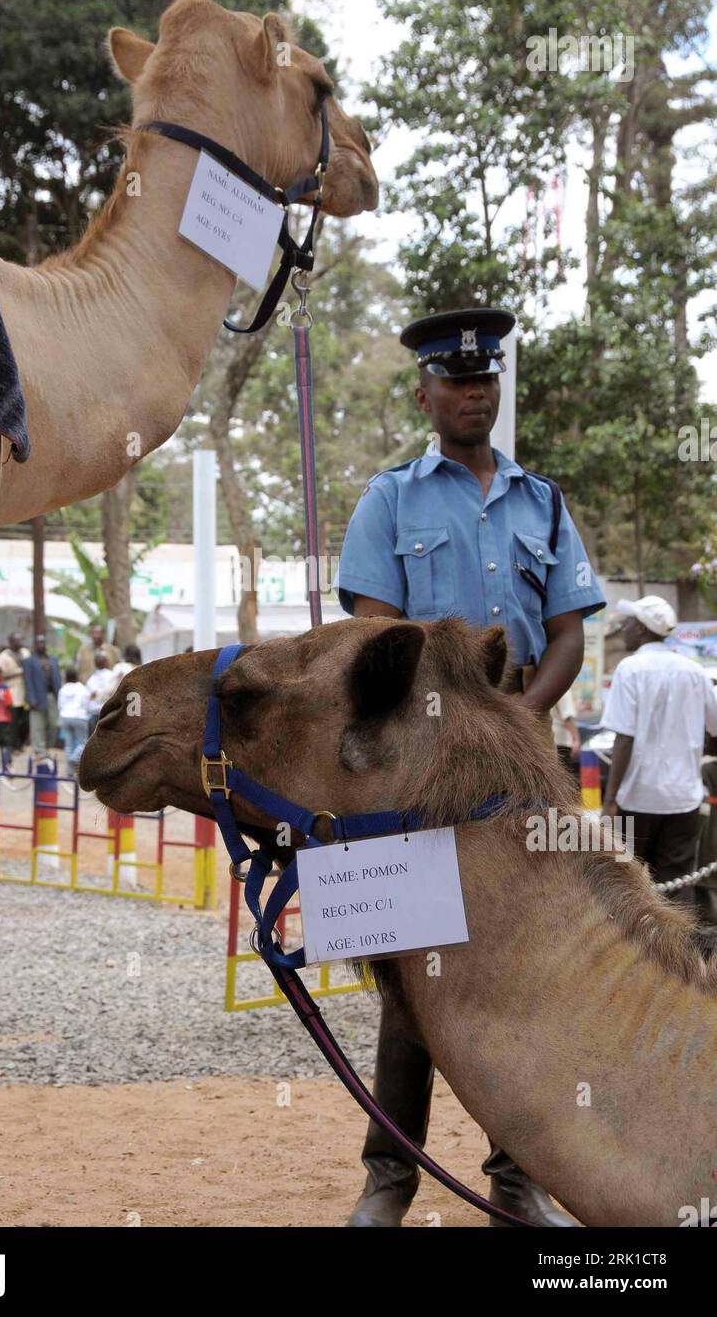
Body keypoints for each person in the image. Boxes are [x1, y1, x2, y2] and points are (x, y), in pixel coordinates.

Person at [335, 306, 605, 1228]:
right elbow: (372, 634)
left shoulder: (543, 502)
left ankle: (515, 1176)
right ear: (424, 395)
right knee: (413, 968)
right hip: (419, 755)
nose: (470, 393)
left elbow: (568, 632)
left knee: (527, 965)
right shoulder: (390, 500)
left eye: (483, 380)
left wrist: (519, 723)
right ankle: (389, 1177)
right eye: (454, 382)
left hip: (523, 751)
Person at [602, 596, 717, 903]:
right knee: (676, 889)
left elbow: (624, 739)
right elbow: (716, 733)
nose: (623, 629)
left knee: (628, 887)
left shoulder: (630, 669)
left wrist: (610, 799)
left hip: (636, 800)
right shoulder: (694, 672)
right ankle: (675, 950)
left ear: (641, 630)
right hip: (684, 801)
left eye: (627, 623)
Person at [23, 633, 62, 755]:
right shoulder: (29, 661)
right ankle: (39, 750)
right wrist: (31, 699)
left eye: (43, 642)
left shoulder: (53, 659)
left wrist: (60, 696)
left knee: (55, 724)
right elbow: (27, 681)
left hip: (52, 696)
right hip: (37, 697)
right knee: (37, 726)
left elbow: (58, 678)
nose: (41, 644)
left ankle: (48, 746)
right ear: (35, 645)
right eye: (39, 642)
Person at [0, 631, 30, 753]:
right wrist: (18, 672)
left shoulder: (26, 653)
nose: (19, 642)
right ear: (10, 642)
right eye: (16, 640)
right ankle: (14, 746)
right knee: (13, 722)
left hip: (26, 693)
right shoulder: (3, 657)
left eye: (21, 640)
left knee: (26, 721)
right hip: (12, 693)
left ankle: (21, 743)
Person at [58, 666, 90, 776]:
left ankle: (70, 771)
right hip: (79, 716)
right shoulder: (81, 688)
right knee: (82, 743)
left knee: (69, 744)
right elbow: (86, 703)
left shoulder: (63, 689)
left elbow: (60, 705)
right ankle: (73, 759)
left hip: (65, 717)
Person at [85, 650, 118, 734]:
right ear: (106, 662)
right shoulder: (112, 676)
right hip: (108, 713)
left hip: (94, 714)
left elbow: (88, 698)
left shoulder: (90, 680)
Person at [551, 687, 580, 779]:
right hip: (562, 741)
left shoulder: (546, 686)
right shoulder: (563, 687)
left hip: (548, 739)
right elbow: (567, 716)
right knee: (563, 779)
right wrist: (576, 738)